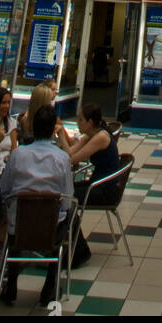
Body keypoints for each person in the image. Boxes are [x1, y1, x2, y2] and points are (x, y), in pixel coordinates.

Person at [0, 104, 74, 306]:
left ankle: (11, 284)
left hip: (18, 228)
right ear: (52, 130)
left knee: (17, 216)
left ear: (32, 127)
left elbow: (4, 190)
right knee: (71, 214)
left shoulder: (17, 155)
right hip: (50, 229)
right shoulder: (62, 158)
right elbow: (66, 201)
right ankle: (49, 287)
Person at [56, 103, 121, 268]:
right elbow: (70, 153)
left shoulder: (100, 138)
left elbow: (72, 160)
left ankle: (78, 251)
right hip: (96, 184)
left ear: (90, 122)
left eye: (80, 119)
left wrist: (61, 136)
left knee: (65, 199)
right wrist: (62, 135)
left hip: (105, 190)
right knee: (63, 195)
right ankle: (69, 246)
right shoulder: (89, 135)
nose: (78, 122)